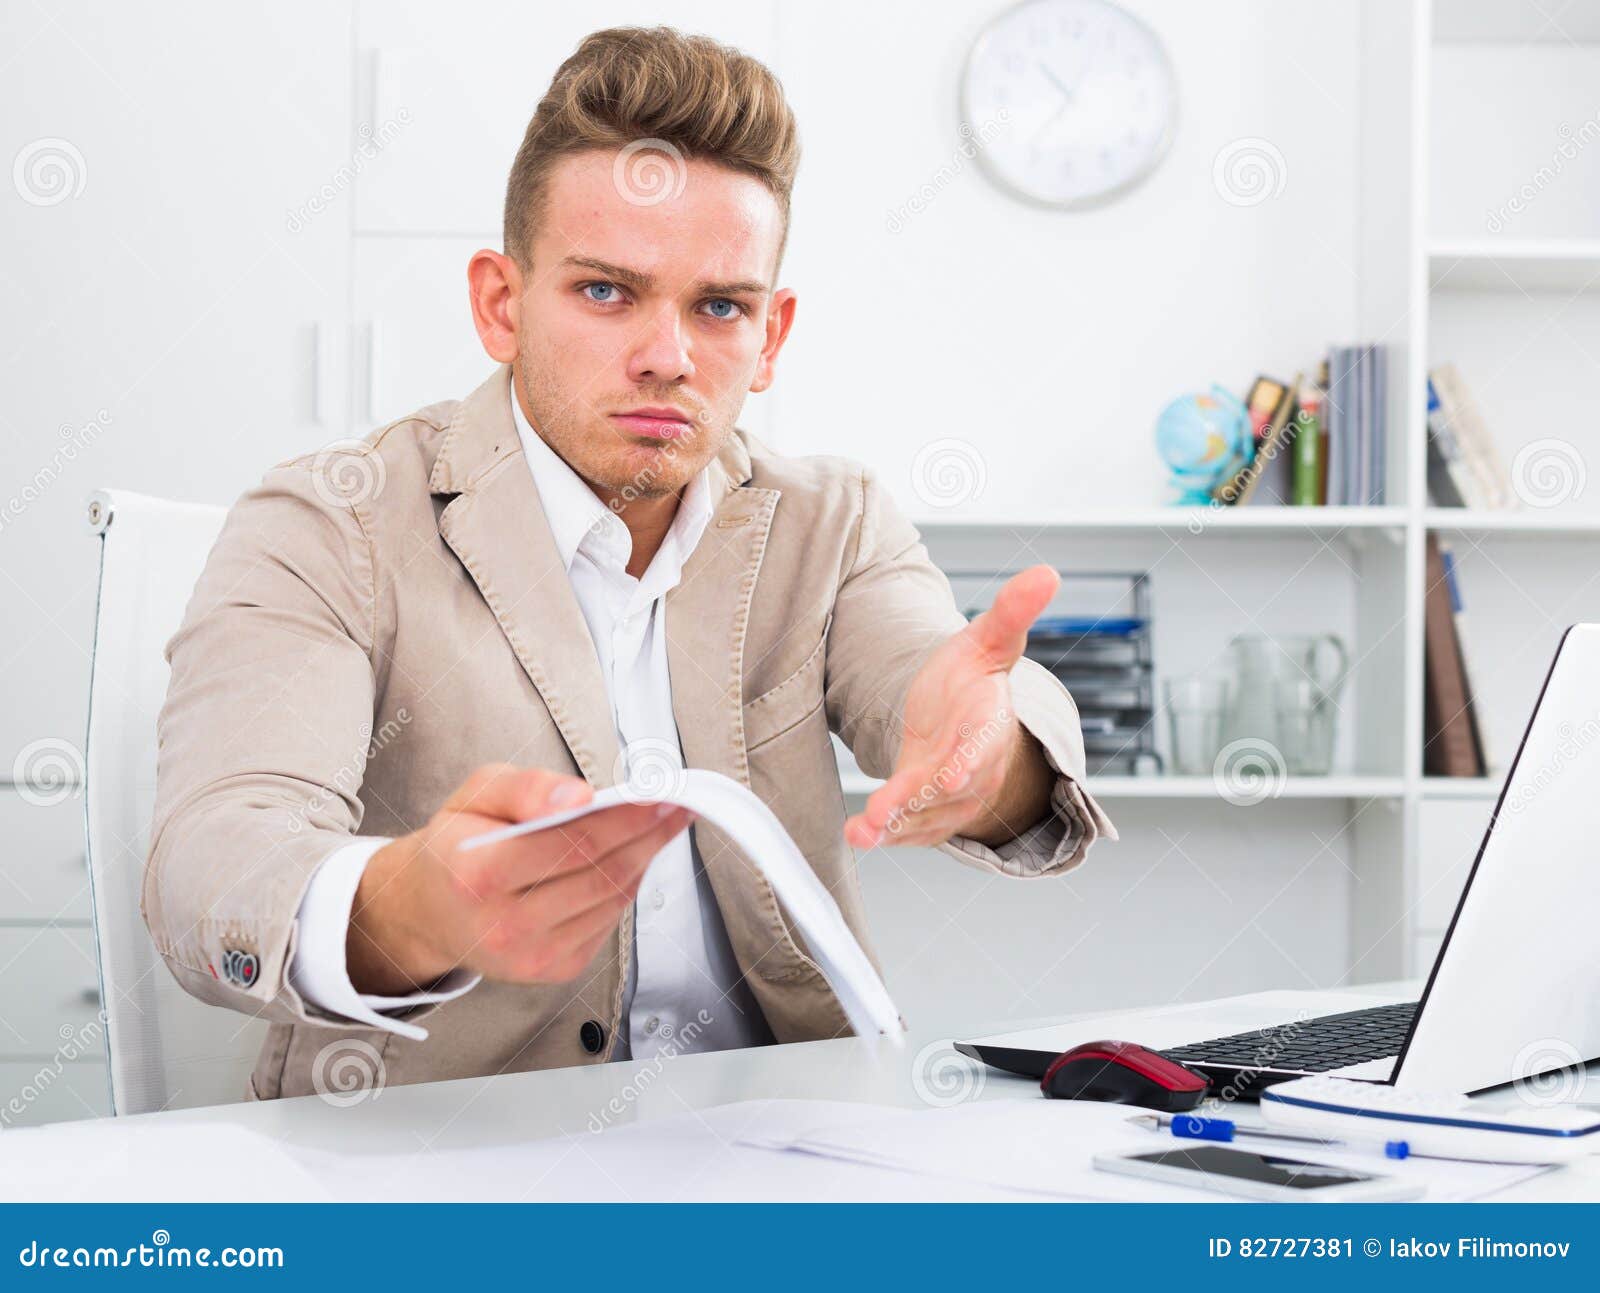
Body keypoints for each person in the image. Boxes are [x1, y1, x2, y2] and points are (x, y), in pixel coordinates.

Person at [145, 25, 1116, 1100]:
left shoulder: (830, 521)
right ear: (499, 305)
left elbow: (944, 681)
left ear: (773, 332)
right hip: (441, 1169)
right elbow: (208, 872)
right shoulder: (330, 526)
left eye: (720, 307)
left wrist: (992, 755)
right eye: (607, 292)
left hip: (787, 1158)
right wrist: (413, 903)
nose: (668, 356)